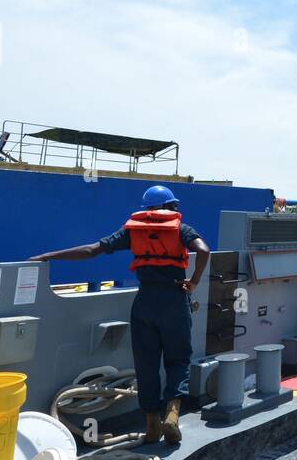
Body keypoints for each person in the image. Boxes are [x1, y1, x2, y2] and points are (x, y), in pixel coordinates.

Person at [30, 185, 210, 445]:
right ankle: (171, 413)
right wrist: (192, 282)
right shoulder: (180, 229)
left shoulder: (133, 230)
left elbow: (93, 249)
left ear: (146, 209)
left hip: (145, 301)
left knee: (145, 362)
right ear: (171, 207)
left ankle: (151, 425)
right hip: (173, 299)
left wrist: (49, 256)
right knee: (178, 359)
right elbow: (203, 250)